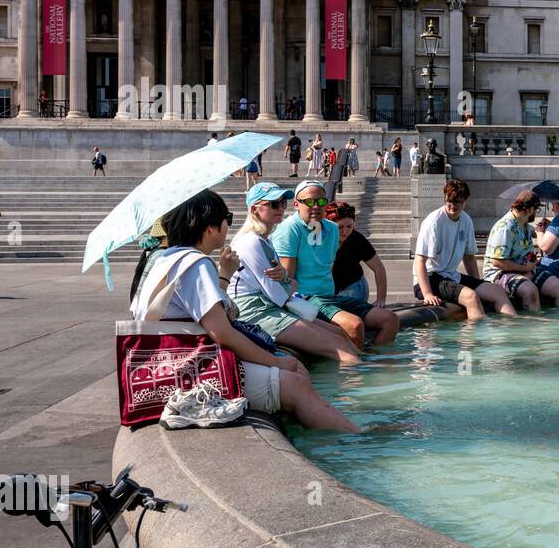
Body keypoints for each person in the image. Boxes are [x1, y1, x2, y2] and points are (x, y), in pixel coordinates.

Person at [128, 189, 357, 431]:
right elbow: (221, 332)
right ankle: (354, 437)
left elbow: (203, 310)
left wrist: (224, 274)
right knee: (295, 379)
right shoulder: (196, 263)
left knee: (293, 369)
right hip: (192, 369)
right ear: (209, 228)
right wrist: (274, 362)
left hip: (166, 365)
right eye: (226, 218)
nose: (229, 225)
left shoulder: (165, 257)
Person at [228, 183, 361, 366]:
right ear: (254, 209)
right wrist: (289, 283)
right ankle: (357, 389)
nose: (281, 208)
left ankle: (359, 376)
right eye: (273, 204)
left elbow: (283, 287)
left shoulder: (263, 240)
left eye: (282, 202)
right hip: (255, 311)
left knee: (339, 334)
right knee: (339, 347)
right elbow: (279, 294)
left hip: (268, 306)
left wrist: (286, 282)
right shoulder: (251, 242)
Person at [273, 180, 399, 349]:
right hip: (305, 298)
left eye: (321, 201)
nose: (316, 206)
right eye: (309, 201)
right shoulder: (289, 229)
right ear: (296, 204)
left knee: (390, 320)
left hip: (330, 297)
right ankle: (355, 369)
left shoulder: (332, 229)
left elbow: (328, 268)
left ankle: (370, 361)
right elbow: (287, 279)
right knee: (354, 325)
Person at [412, 178, 514, 320]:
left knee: (497, 291)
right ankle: (474, 340)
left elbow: (469, 257)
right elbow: (419, 261)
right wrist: (428, 294)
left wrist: (478, 284)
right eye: (450, 201)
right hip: (430, 279)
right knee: (471, 297)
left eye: (458, 202)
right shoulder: (433, 222)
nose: (453, 206)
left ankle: (513, 331)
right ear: (445, 199)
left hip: (451, 276)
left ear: (465, 201)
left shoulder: (466, 221)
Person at [483, 191, 559, 310]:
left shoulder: (524, 225)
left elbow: (527, 254)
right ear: (529, 209)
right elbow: (497, 262)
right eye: (536, 210)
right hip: (499, 274)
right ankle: (533, 327)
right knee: (530, 291)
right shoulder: (505, 228)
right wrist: (525, 269)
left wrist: (533, 262)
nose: (536, 213)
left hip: (525, 270)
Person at [326, 202, 388, 308]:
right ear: (329, 225)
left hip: (353, 287)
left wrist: (381, 299)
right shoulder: (319, 238)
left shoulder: (357, 239)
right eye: (339, 227)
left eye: (349, 226)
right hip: (329, 288)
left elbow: (379, 268)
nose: (345, 231)